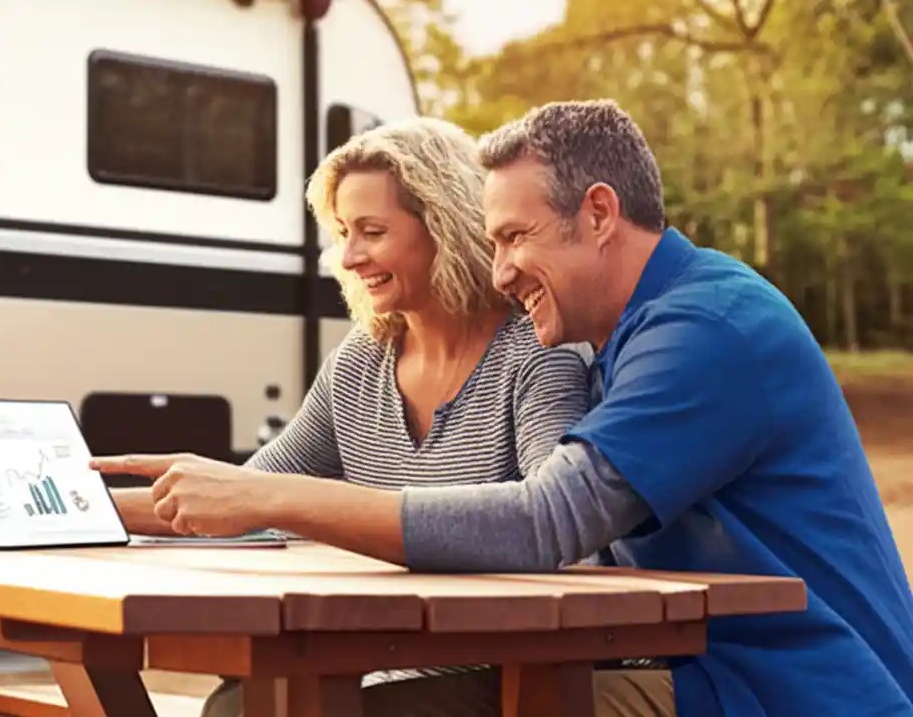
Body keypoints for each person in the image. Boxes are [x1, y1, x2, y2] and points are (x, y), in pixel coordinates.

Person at [98, 99, 913, 716]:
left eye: (515, 238)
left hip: (779, 685)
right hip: (688, 662)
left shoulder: (705, 331)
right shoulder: (637, 330)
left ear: (598, 214)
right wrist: (93, 504)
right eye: (491, 243)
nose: (498, 273)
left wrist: (272, 498)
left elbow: (545, 521)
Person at [105, 116, 594, 715]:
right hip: (358, 662)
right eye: (343, 233)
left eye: (372, 231)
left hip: (498, 674)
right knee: (237, 706)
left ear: (446, 225)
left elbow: (562, 537)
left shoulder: (537, 353)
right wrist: (73, 512)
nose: (350, 257)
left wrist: (274, 500)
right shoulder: (359, 363)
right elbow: (243, 502)